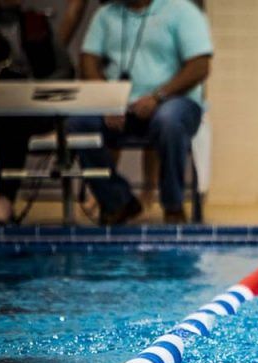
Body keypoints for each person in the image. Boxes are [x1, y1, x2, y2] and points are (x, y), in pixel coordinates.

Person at [67, 0, 211, 225]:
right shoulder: (105, 15)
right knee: (78, 124)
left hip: (173, 102)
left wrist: (158, 97)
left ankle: (173, 206)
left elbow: (200, 66)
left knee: (169, 120)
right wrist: (108, 100)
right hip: (120, 107)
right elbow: (88, 60)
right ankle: (119, 201)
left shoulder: (181, 10)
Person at [0, 0, 74, 226]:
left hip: (35, 105)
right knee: (9, 115)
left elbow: (65, 70)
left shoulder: (38, 23)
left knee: (18, 115)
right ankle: (5, 202)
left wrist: (34, 88)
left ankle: (5, 202)